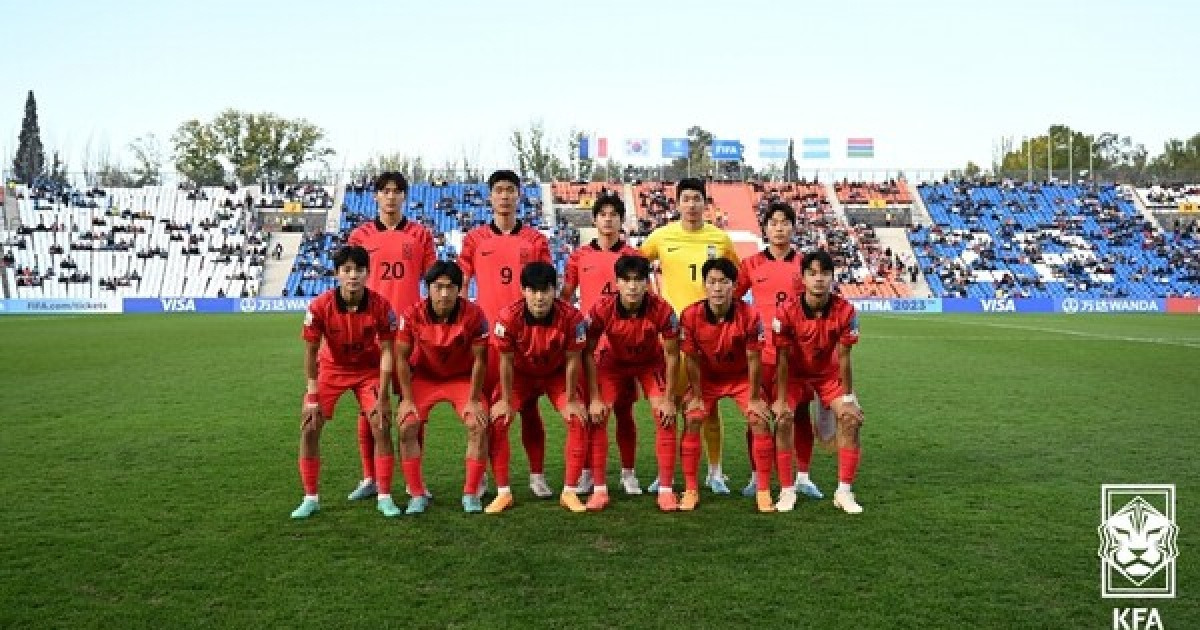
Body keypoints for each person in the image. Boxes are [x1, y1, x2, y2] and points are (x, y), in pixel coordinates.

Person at [639, 178, 740, 495]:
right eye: (686, 198)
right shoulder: (661, 236)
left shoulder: (719, 238)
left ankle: (714, 471)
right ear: (677, 202)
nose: (692, 204)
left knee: (707, 407)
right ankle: (665, 472)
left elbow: (737, 278)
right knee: (667, 405)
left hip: (709, 335)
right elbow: (634, 268)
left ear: (705, 203)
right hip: (671, 336)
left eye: (697, 198)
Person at [459, 170, 554, 499]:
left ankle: (537, 475)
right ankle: (485, 475)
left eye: (510, 190)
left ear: (519, 195)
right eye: (498, 190)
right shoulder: (474, 239)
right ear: (489, 196)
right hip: (486, 340)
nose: (504, 196)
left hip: (526, 338)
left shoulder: (535, 240)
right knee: (486, 411)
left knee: (529, 409)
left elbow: (547, 284)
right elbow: (461, 282)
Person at [345, 171, 437, 503]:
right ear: (375, 197)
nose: (391, 196)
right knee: (370, 409)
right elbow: (348, 283)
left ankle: (417, 481)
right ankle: (370, 476)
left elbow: (432, 284)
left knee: (414, 408)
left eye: (397, 191)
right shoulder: (360, 236)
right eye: (384, 191)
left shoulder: (421, 235)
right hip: (372, 333)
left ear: (405, 197)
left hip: (411, 334)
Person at [291, 245, 400, 519]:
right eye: (347, 270)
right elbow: (311, 352)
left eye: (359, 270)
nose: (353, 276)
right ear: (337, 274)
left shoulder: (381, 306)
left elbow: (388, 351)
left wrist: (383, 395)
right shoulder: (319, 307)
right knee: (309, 427)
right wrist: (312, 394)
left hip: (368, 370)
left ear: (367, 273)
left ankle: (384, 495)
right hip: (332, 369)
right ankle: (311, 497)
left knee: (381, 424)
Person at [734, 201, 822, 500]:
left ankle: (804, 476)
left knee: (798, 415)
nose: (779, 228)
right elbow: (732, 301)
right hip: (761, 356)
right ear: (766, 228)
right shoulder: (751, 265)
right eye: (774, 222)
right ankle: (757, 476)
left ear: (793, 227)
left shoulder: (805, 266)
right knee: (756, 415)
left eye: (785, 222)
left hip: (798, 357)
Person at [485, 262, 588, 514]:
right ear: (522, 290)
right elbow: (505, 362)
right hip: (520, 376)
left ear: (555, 290)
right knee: (499, 420)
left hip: (555, 375)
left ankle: (570, 491)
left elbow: (574, 360)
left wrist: (572, 397)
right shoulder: (508, 317)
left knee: (577, 417)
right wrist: (506, 400)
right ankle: (503, 492)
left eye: (546, 290)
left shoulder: (572, 318)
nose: (540, 297)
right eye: (533, 290)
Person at [560, 194, 645, 495]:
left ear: (622, 221)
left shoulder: (635, 257)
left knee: (624, 411)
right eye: (603, 214)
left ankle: (628, 472)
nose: (608, 220)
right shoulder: (578, 256)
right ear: (594, 220)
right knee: (588, 411)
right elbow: (566, 297)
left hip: (626, 348)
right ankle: (586, 472)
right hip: (589, 347)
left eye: (614, 214)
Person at [583, 255, 681, 511]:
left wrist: (670, 399)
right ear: (617, 283)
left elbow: (672, 355)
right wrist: (593, 398)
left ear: (647, 283)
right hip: (612, 364)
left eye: (639, 280)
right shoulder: (602, 308)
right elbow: (587, 351)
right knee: (599, 415)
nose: (633, 286)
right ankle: (600, 489)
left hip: (650, 363)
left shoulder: (663, 310)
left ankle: (666, 490)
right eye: (627, 280)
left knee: (665, 415)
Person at [771, 250, 866, 514]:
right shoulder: (786, 311)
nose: (819, 279)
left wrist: (848, 399)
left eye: (824, 274)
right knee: (784, 418)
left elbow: (845, 358)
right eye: (812, 274)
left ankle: (844, 491)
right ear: (802, 278)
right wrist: (779, 401)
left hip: (828, 375)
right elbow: (782, 359)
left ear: (832, 278)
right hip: (794, 375)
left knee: (850, 420)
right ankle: (787, 490)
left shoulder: (845, 310)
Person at [393, 261, 491, 514]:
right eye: (439, 287)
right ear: (428, 288)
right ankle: (416, 493)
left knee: (478, 424)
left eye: (451, 287)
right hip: (425, 378)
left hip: (461, 378)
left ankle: (471, 492)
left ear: (460, 289)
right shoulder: (412, 314)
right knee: (406, 425)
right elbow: (401, 357)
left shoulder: (475, 315)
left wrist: (473, 399)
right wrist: (406, 398)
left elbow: (480, 359)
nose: (445, 293)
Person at [678, 258, 774, 513]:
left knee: (759, 419)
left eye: (724, 282)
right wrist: (697, 396)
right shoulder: (690, 315)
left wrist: (754, 397)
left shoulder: (750, 315)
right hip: (708, 379)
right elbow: (692, 360)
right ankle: (690, 490)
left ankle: (763, 491)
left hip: (741, 377)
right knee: (693, 418)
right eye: (712, 282)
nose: (718, 288)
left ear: (734, 286)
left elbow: (755, 360)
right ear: (704, 285)